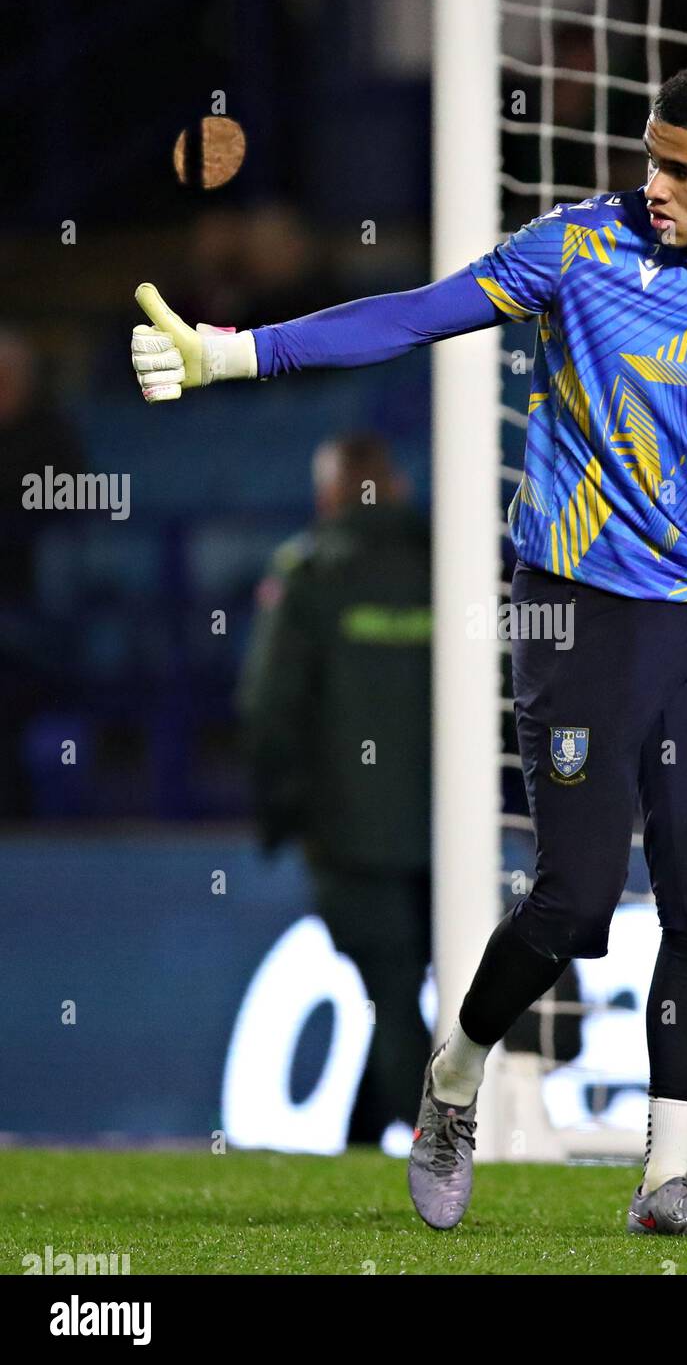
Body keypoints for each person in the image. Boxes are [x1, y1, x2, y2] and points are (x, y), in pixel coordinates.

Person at [131, 59, 687, 1236]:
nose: (651, 182)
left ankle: (664, 1180)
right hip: (579, 612)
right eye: (648, 156)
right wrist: (232, 352)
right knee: (571, 901)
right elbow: (410, 315)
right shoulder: (577, 251)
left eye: (682, 168)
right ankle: (452, 1079)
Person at [236, 433, 434, 1149]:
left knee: (391, 990)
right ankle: (359, 1139)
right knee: (409, 991)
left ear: (327, 495)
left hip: (349, 832)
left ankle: (437, 1151)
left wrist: (282, 812)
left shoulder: (309, 574)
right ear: (399, 488)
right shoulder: (451, 567)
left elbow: (267, 707)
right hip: (451, 835)